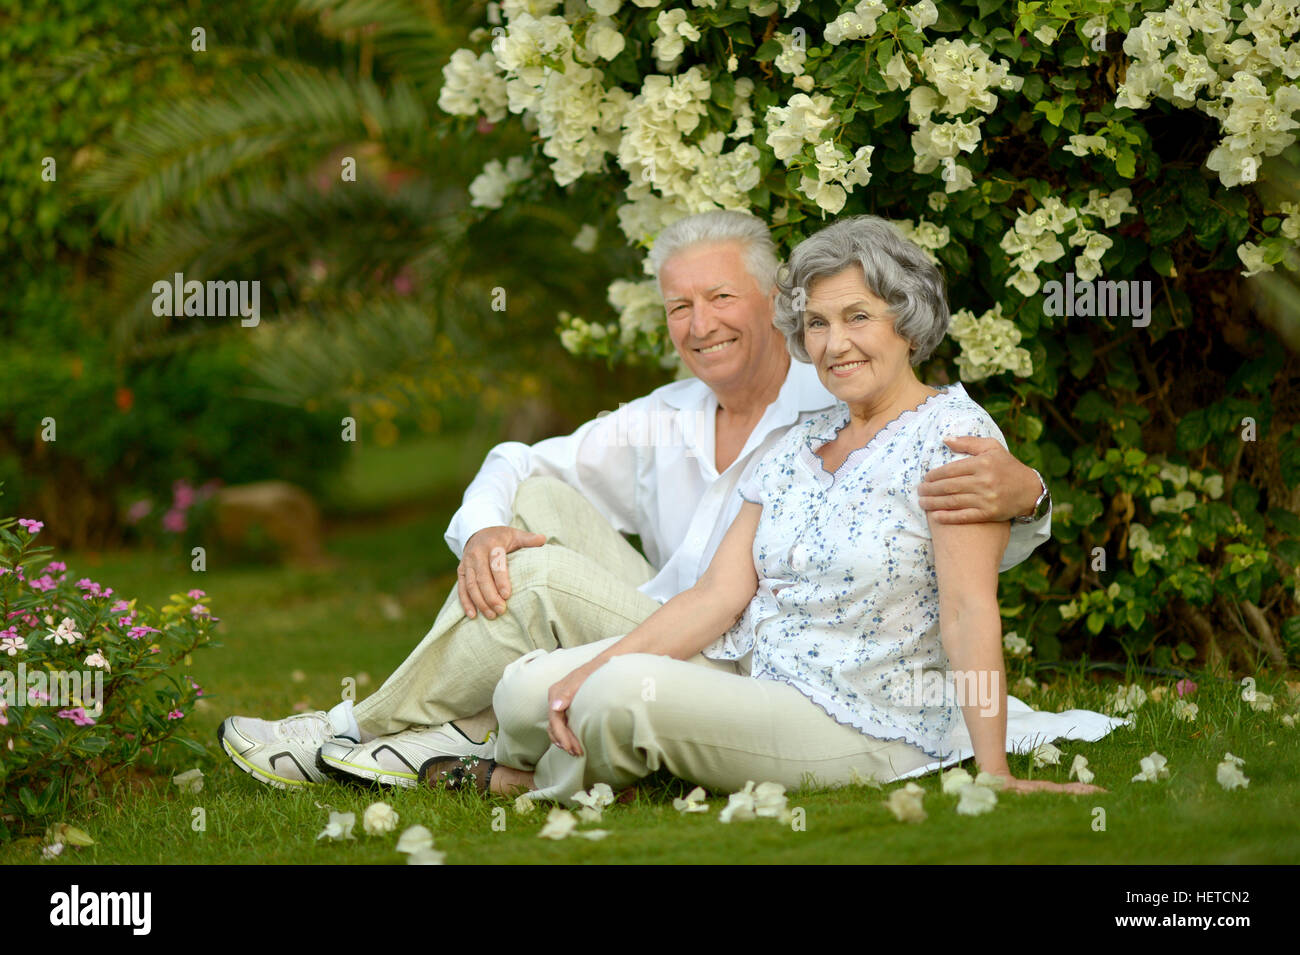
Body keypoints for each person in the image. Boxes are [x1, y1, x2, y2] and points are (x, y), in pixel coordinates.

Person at [218, 210, 1053, 790]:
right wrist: (483, 536)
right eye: (680, 306)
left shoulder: (875, 410)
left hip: (815, 687)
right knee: (532, 574)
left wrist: (1029, 493)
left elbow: (964, 597)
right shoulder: (737, 425)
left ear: (774, 309)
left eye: (723, 298)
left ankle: (365, 734)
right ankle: (469, 734)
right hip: (699, 636)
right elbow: (707, 584)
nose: (702, 323)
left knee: (564, 629)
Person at [452, 215, 1112, 800]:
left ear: (906, 321)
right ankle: (608, 765)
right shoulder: (802, 441)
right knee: (526, 688)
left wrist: (992, 767)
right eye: (817, 324)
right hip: (754, 674)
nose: (833, 343)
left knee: (618, 697)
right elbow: (716, 596)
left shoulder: (951, 442)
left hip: (867, 719)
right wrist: (589, 667)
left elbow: (970, 613)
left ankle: (546, 782)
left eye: (858, 317)